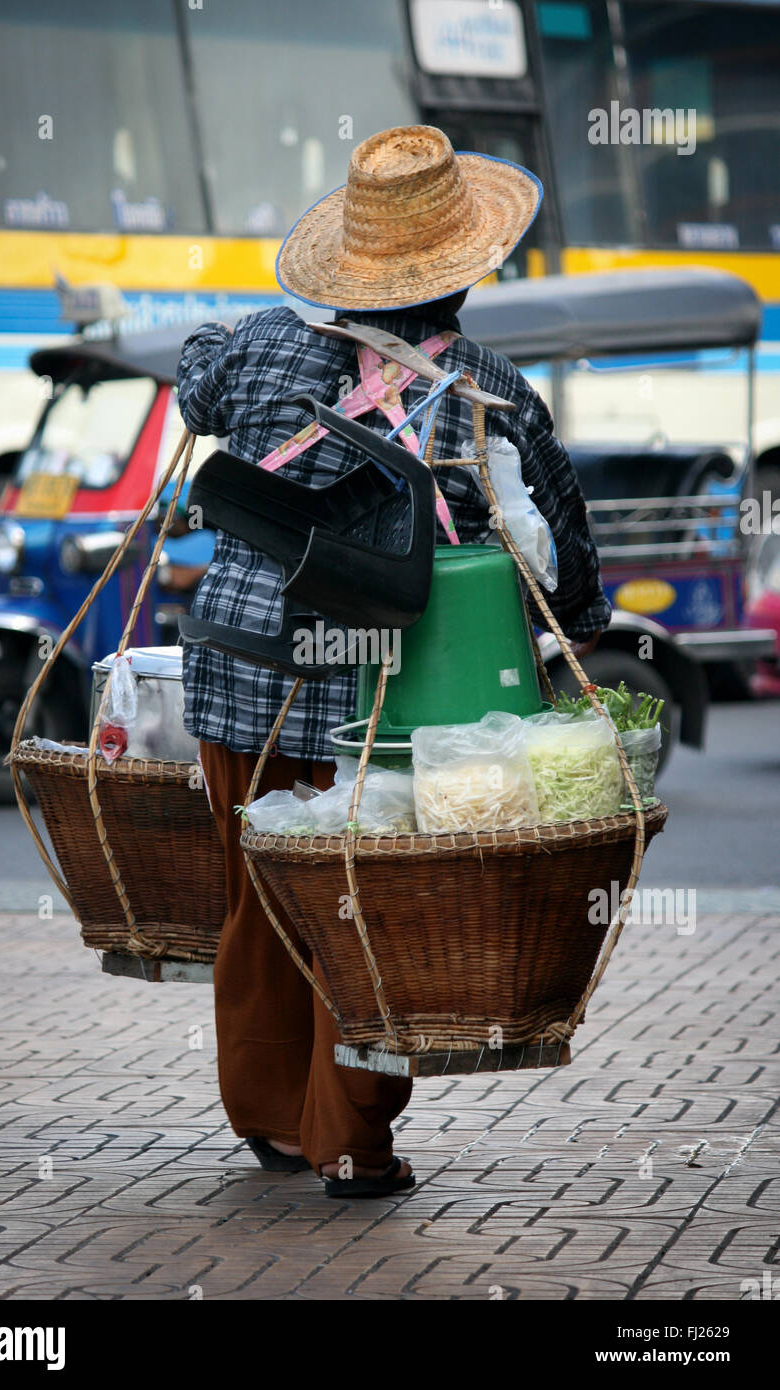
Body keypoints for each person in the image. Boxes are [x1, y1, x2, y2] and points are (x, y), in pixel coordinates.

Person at [176, 125, 610, 1198]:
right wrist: (580, 625)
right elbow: (555, 539)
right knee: (365, 916)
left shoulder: (261, 344)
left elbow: (196, 389)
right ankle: (353, 1144)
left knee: (261, 898)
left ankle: (272, 1117)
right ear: (464, 269)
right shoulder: (488, 388)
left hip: (238, 668)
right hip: (375, 697)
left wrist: (214, 343)